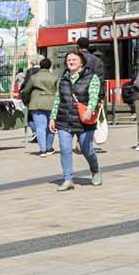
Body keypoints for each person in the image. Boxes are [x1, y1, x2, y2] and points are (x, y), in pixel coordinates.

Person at [51, 49, 104, 191]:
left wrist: (90, 109)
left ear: (82, 62)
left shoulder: (91, 77)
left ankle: (95, 170)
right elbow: (57, 99)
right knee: (65, 150)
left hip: (83, 120)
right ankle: (68, 179)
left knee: (87, 150)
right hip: (64, 120)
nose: (71, 62)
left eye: (74, 59)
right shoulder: (62, 79)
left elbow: (94, 96)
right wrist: (53, 117)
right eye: (68, 60)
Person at [20, 56, 59, 155]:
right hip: (52, 103)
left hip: (36, 102)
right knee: (51, 126)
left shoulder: (34, 77)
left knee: (40, 127)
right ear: (50, 66)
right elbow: (59, 91)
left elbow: (26, 91)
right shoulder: (55, 77)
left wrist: (26, 102)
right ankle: (49, 148)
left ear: (40, 66)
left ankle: (42, 150)